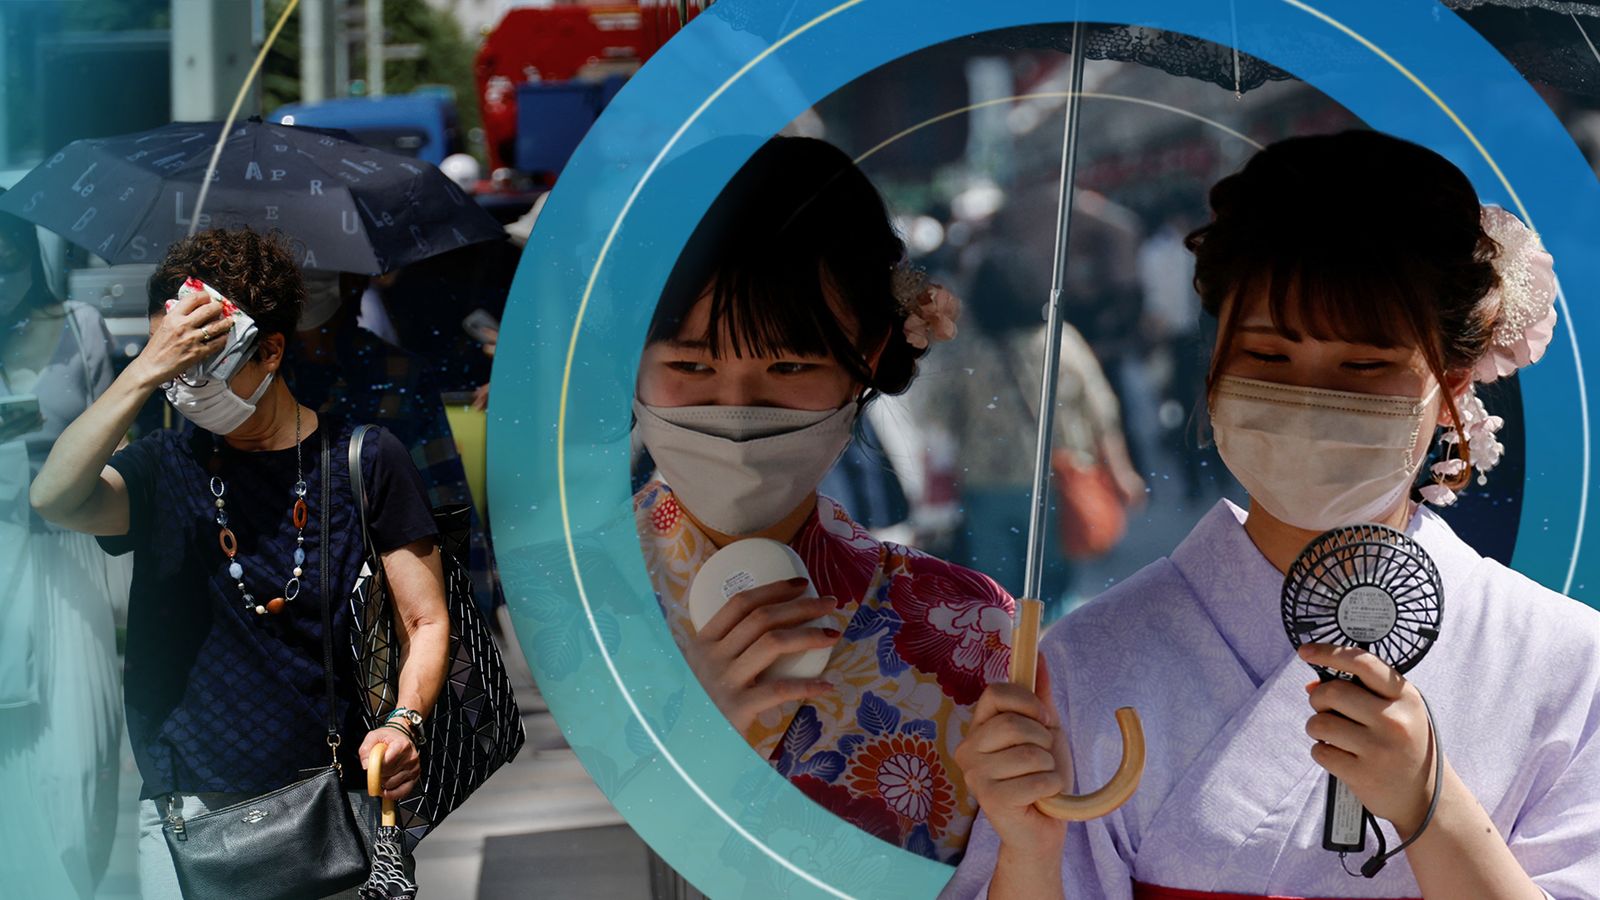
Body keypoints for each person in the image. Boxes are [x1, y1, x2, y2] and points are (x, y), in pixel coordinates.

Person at [942, 130, 1600, 898]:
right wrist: (1028, 850)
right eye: (1267, 357)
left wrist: (1436, 810)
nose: (1314, 399)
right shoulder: (1085, 659)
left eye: (1364, 365)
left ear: (1450, 385)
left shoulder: (1566, 661)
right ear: (1213, 361)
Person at [29, 228, 451, 899]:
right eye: (176, 360)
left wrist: (404, 721)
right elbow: (54, 497)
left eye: (206, 357)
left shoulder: (363, 461)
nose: (188, 383)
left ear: (273, 350)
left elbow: (425, 620)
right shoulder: (162, 466)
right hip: (186, 815)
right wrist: (142, 371)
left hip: (330, 807)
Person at [632, 136, 1016, 863]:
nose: (737, 408)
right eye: (691, 363)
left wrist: (1034, 834)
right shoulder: (559, 606)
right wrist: (686, 750)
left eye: (788, 364)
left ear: (868, 356)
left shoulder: (975, 630)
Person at [0, 203, 124, 898]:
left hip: (62, 554)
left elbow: (113, 436)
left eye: (8, 259)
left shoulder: (79, 328)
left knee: (82, 758)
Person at [287, 266, 505, 623]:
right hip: (285, 608)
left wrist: (467, 608)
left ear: (353, 284)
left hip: (387, 616)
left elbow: (444, 498)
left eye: (320, 277)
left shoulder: (399, 374)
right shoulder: (262, 375)